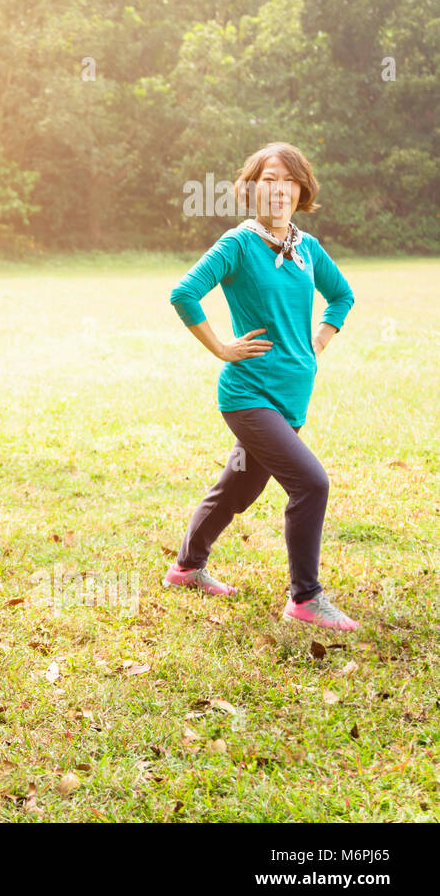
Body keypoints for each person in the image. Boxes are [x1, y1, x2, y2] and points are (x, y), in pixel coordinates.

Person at [167, 142, 358, 631]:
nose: (278, 190)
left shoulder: (307, 248)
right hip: (248, 396)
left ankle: (186, 568)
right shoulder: (239, 244)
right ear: (252, 188)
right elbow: (184, 292)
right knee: (311, 483)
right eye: (268, 179)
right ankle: (305, 598)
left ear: (301, 190)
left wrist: (318, 341)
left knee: (238, 487)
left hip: (292, 398)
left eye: (288, 180)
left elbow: (342, 295)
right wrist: (221, 348)